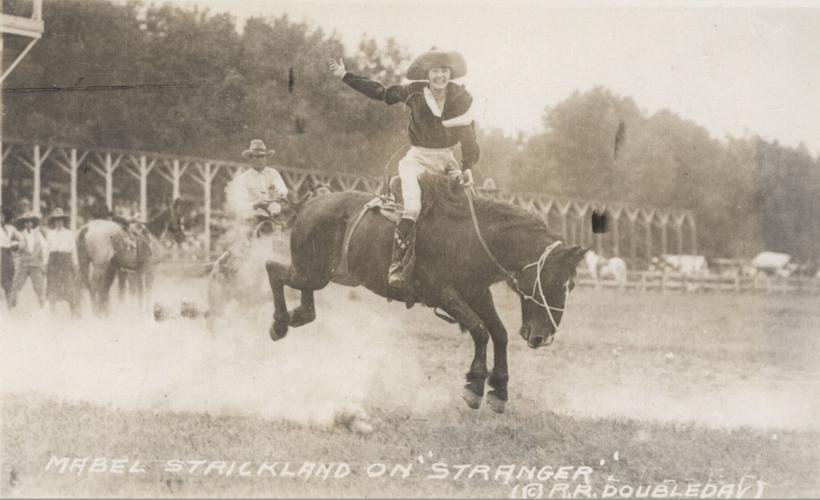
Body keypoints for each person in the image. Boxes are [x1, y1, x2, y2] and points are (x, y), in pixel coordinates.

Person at [329, 48, 480, 290]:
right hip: (417, 159)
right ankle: (397, 264)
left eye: (444, 71)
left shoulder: (462, 98)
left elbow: (469, 137)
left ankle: (466, 268)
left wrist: (467, 167)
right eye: (435, 71)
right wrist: (346, 75)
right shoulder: (413, 92)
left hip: (446, 160)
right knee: (413, 207)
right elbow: (380, 92)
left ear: (450, 74)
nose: (439, 76)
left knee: (470, 205)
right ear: (427, 74)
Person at [233, 139, 289, 236]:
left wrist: (279, 195)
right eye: (257, 157)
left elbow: (282, 190)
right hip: (252, 221)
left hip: (274, 219)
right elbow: (239, 203)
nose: (260, 160)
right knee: (251, 245)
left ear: (266, 158)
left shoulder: (273, 174)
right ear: (250, 158)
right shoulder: (243, 178)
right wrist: (255, 204)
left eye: (263, 156)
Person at [44, 208, 79, 315]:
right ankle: (52, 311)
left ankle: (73, 312)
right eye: (56, 220)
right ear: (53, 221)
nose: (59, 222)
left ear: (64, 221)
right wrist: (45, 263)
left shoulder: (69, 233)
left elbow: (73, 249)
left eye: (61, 219)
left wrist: (75, 263)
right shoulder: (50, 233)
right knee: (52, 284)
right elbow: (46, 249)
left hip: (66, 260)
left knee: (69, 284)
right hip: (53, 261)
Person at [9, 212, 48, 308]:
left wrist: (44, 262)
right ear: (23, 224)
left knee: (39, 285)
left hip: (35, 263)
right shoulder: (20, 234)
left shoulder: (38, 234)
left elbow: (44, 247)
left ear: (33, 223)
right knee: (16, 283)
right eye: (26, 222)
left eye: (30, 222)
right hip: (24, 263)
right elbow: (15, 247)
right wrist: (17, 246)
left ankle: (41, 303)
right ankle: (12, 302)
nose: (28, 224)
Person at [0, 208, 20, 307]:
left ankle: (10, 303)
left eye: (2, 215)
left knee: (9, 277)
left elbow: (21, 238)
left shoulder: (10, 228)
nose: (1, 217)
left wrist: (15, 243)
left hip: (7, 254)